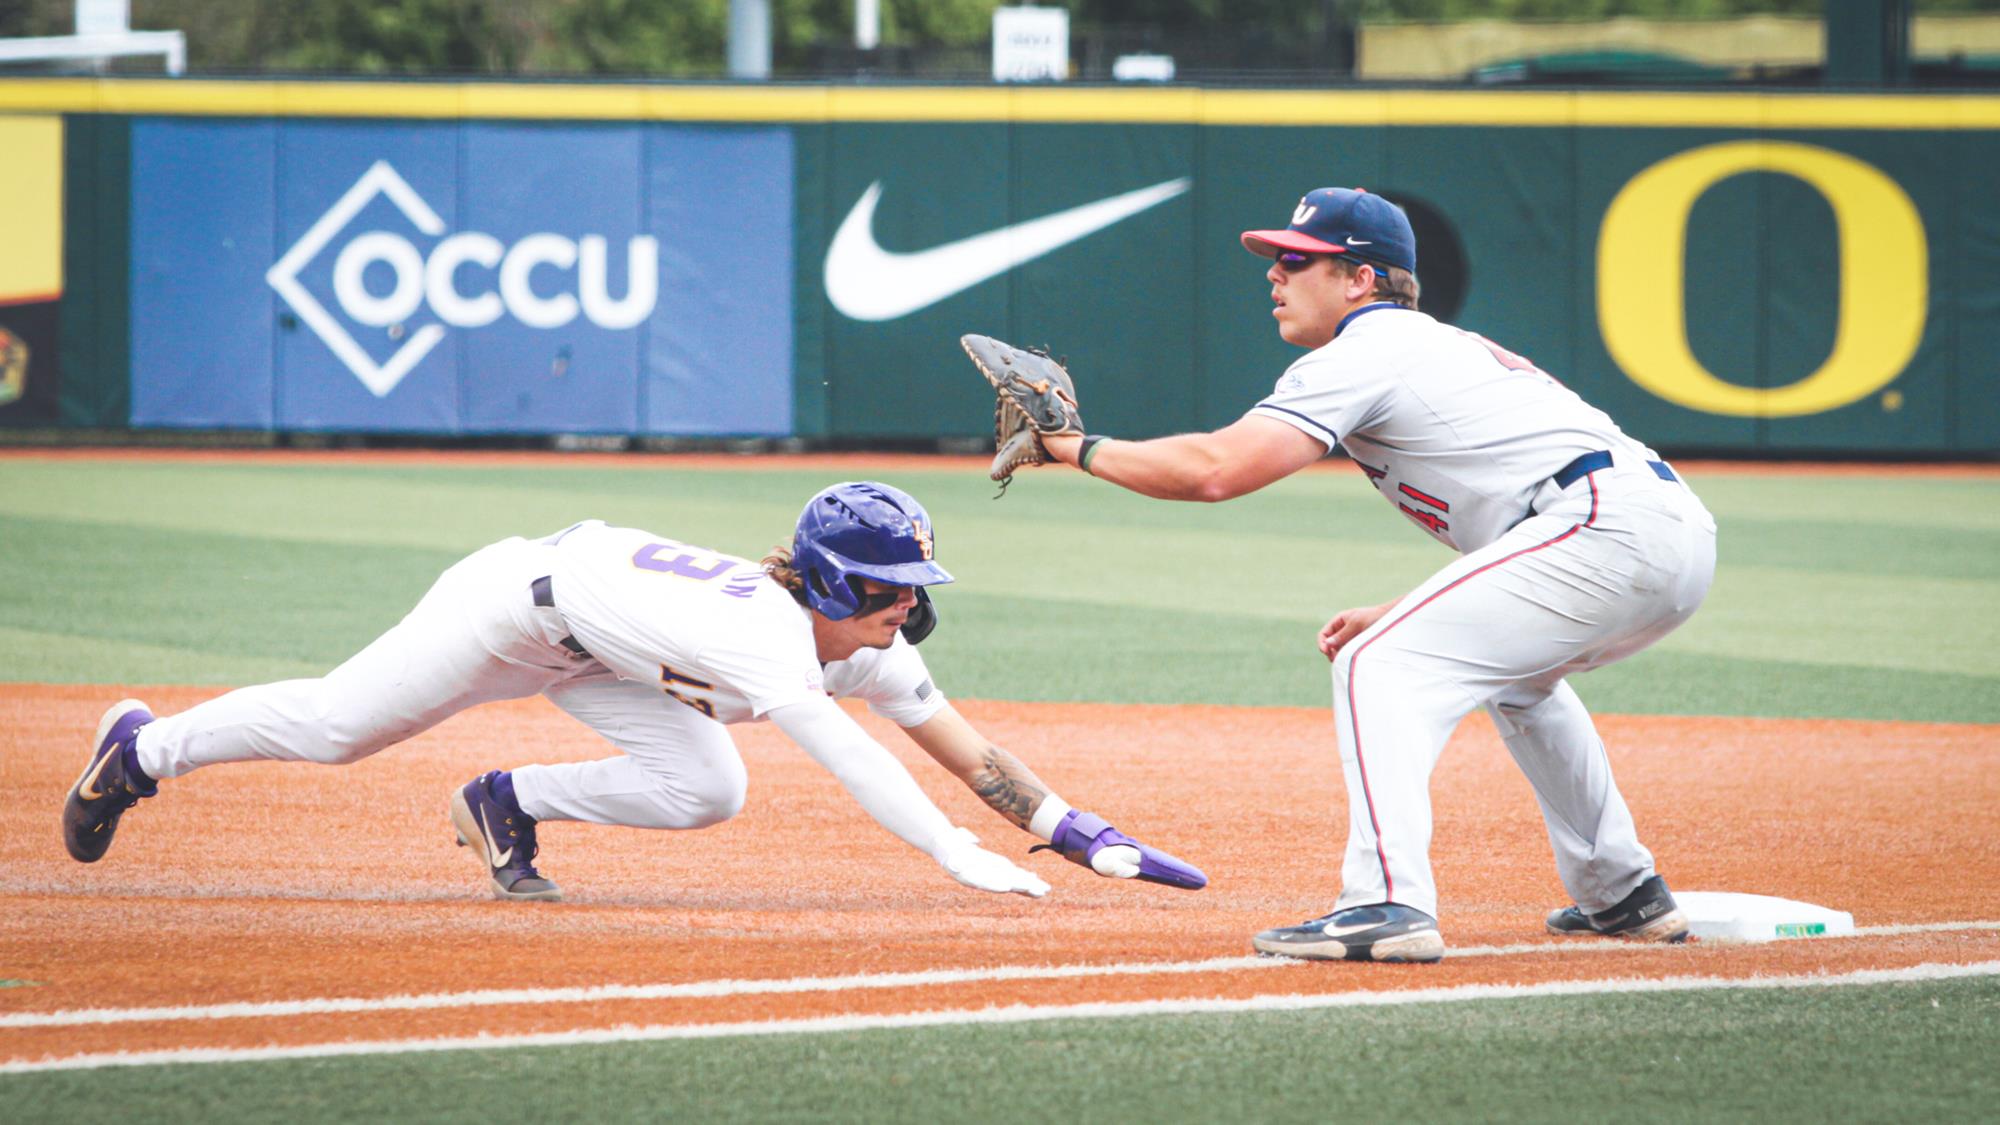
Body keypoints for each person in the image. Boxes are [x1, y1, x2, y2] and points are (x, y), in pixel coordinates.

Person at [1027, 187, 1716, 963]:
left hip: (1606, 526)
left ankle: (1387, 902)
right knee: (1520, 678)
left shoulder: (1367, 348)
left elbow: (1217, 470)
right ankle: (1623, 892)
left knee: (1379, 660)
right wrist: (1407, 603)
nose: (1273, 275)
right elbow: (1526, 516)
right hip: (1652, 529)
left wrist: (1076, 447)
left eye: (1296, 259)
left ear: (1360, 279)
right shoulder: (1426, 349)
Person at [62, 481, 1203, 902]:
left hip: (610, 646)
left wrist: (1076, 833)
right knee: (337, 729)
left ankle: (506, 803)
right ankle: (141, 750)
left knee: (705, 788)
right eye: (893, 584)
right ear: (836, 578)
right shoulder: (768, 629)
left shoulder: (861, 634)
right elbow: (855, 760)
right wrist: (952, 857)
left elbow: (959, 746)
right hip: (516, 606)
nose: (910, 603)